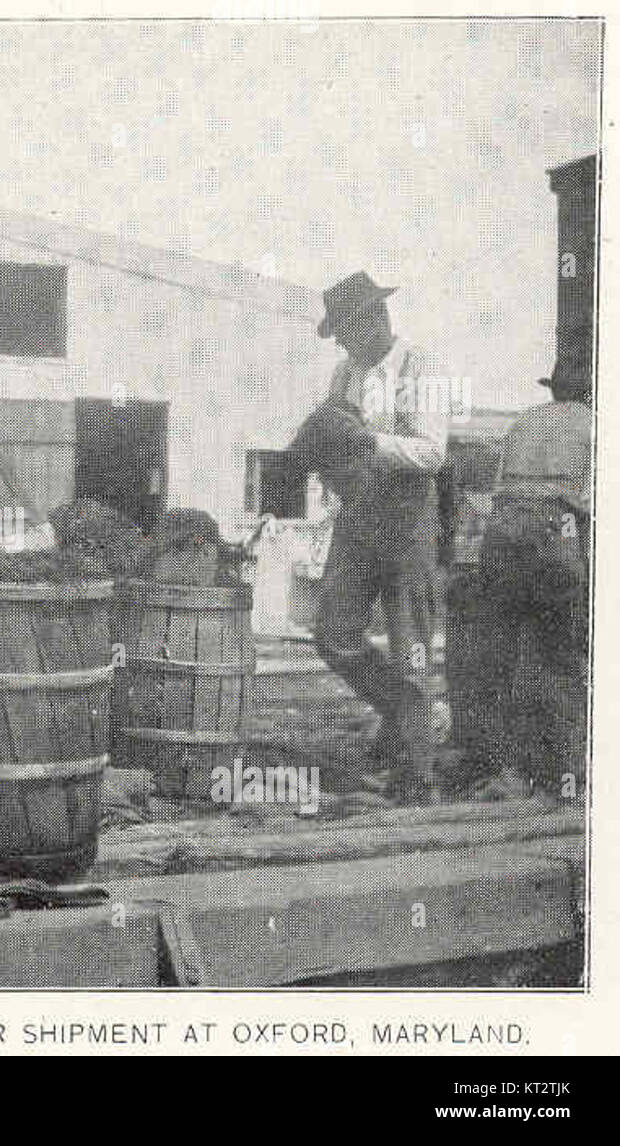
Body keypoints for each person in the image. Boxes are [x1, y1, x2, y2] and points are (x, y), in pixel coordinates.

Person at [288, 272, 452, 804]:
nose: (342, 342)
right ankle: (404, 712)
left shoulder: (420, 367)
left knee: (414, 648)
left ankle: (418, 773)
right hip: (358, 516)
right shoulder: (344, 374)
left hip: (407, 520)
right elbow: (329, 438)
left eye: (346, 330)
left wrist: (367, 441)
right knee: (332, 631)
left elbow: (432, 453)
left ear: (376, 318)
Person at [466, 339, 592, 794]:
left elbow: (503, 486)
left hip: (501, 533)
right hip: (554, 531)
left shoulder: (524, 421)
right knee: (561, 657)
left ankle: (508, 774)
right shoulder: (596, 425)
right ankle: (570, 774)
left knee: (502, 659)